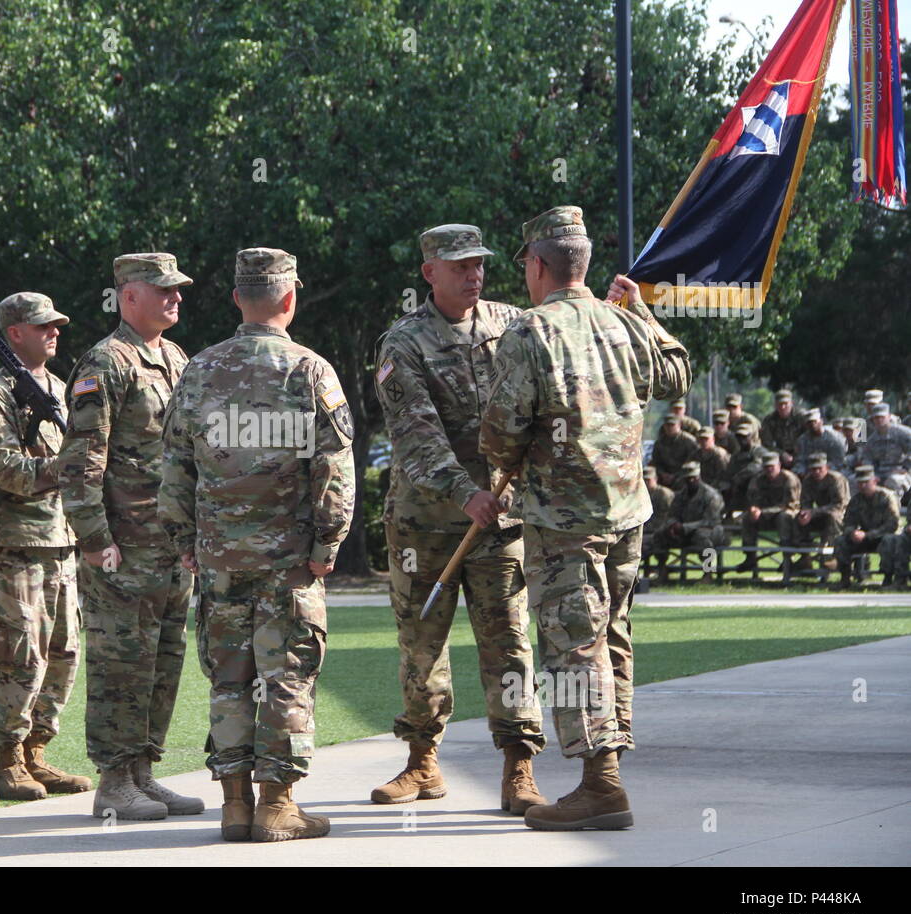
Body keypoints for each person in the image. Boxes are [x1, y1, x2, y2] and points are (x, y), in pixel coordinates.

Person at [477, 206, 691, 831]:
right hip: (627, 514)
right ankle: (609, 770)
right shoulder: (623, 324)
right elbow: (675, 373)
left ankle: (600, 784)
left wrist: (512, 457)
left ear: (538, 265)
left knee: (573, 649)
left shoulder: (528, 332)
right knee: (612, 641)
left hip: (565, 523)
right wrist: (642, 312)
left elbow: (500, 435)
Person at [160, 247, 354, 842]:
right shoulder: (309, 371)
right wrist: (328, 542)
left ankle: (235, 806)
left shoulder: (198, 370)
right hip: (288, 563)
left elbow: (173, 466)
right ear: (290, 298)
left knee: (229, 679)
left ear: (237, 299)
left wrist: (184, 539)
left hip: (219, 561)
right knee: (286, 675)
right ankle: (278, 805)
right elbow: (334, 470)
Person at [369, 223, 545, 814]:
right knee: (422, 645)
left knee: (510, 644)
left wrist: (599, 309)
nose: (474, 276)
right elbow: (415, 434)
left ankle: (519, 764)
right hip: (426, 525)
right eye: (460, 266)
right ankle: (422, 761)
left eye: (479, 265)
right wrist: (465, 490)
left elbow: (555, 370)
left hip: (500, 525)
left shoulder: (513, 325)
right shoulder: (403, 343)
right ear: (430, 273)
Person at [59, 253, 202, 820]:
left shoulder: (175, 358)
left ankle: (144, 771)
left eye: (177, 289)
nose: (175, 298)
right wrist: (94, 536)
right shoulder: (106, 362)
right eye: (162, 289)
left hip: (169, 545)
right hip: (123, 544)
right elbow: (82, 459)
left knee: (164, 659)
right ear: (128, 295)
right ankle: (114, 779)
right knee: (121, 661)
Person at [0, 292, 91, 800]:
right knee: (20, 653)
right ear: (15, 333)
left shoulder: (58, 388)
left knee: (64, 652)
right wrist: (66, 466)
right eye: (43, 326)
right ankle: (7, 759)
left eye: (56, 325)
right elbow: (5, 471)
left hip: (62, 537)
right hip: (17, 542)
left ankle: (36, 752)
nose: (54, 333)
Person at [653, 461, 726, 581]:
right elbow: (672, 514)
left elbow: (710, 521)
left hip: (712, 531)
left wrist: (684, 527)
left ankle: (708, 573)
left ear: (699, 477)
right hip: (685, 531)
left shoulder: (711, 495)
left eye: (694, 478)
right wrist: (672, 525)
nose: (691, 481)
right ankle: (662, 570)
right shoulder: (681, 495)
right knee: (660, 534)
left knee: (703, 537)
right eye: (688, 479)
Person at [833, 465, 901, 588]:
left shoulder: (887, 497)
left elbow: (892, 524)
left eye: (866, 482)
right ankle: (845, 578)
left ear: (875, 480)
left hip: (883, 536)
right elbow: (847, 522)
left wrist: (868, 534)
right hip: (864, 538)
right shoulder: (856, 500)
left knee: (889, 540)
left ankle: (888, 578)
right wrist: (852, 532)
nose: (862, 486)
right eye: (860, 483)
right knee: (840, 541)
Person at [782, 452, 848, 573]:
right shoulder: (808, 481)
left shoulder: (836, 480)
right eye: (813, 469)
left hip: (842, 516)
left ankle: (831, 556)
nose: (816, 472)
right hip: (821, 514)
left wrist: (813, 512)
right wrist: (805, 514)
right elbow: (805, 503)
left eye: (819, 469)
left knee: (833, 517)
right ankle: (804, 556)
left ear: (826, 467)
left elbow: (839, 505)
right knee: (798, 518)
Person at [736, 452, 800, 572]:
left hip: (787, 514)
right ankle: (750, 557)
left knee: (784, 517)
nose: (769, 469)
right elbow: (752, 498)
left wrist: (763, 512)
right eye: (766, 467)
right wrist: (753, 509)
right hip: (765, 516)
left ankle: (787, 559)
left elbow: (790, 505)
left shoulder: (789, 479)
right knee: (746, 518)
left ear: (779, 465)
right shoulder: (758, 480)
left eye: (772, 466)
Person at [856, 403, 911, 500]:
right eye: (876, 417)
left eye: (882, 417)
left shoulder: (903, 433)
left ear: (889, 416)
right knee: (856, 480)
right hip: (879, 471)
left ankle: (892, 511)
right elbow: (867, 458)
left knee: (893, 481)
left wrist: (906, 467)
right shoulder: (872, 440)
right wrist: (870, 474)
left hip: (902, 472)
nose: (879, 420)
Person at [758, 389, 807, 470]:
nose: (783, 407)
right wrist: (781, 454)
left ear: (791, 403)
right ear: (775, 405)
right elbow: (766, 443)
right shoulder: (769, 420)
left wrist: (797, 454)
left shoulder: (801, 417)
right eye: (780, 404)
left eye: (785, 404)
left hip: (801, 453)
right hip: (779, 455)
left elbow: (810, 437)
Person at [792, 408, 847, 478]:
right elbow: (800, 460)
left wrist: (821, 470)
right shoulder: (802, 440)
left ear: (821, 421)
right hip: (809, 471)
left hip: (830, 470)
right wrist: (802, 471)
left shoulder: (834, 438)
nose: (812, 425)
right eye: (809, 423)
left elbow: (839, 461)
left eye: (815, 422)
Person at [650, 414, 698, 487]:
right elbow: (656, 462)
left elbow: (693, 462)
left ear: (679, 425)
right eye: (667, 425)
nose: (669, 428)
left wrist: (675, 475)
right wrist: (663, 474)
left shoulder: (689, 441)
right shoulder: (659, 442)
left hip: (683, 475)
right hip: (663, 477)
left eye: (672, 425)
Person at [641, 465, 674, 567]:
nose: (646, 483)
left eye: (648, 480)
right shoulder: (641, 494)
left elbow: (668, 516)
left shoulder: (664, 494)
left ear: (655, 479)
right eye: (644, 480)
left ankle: (660, 571)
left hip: (661, 531)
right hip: (645, 531)